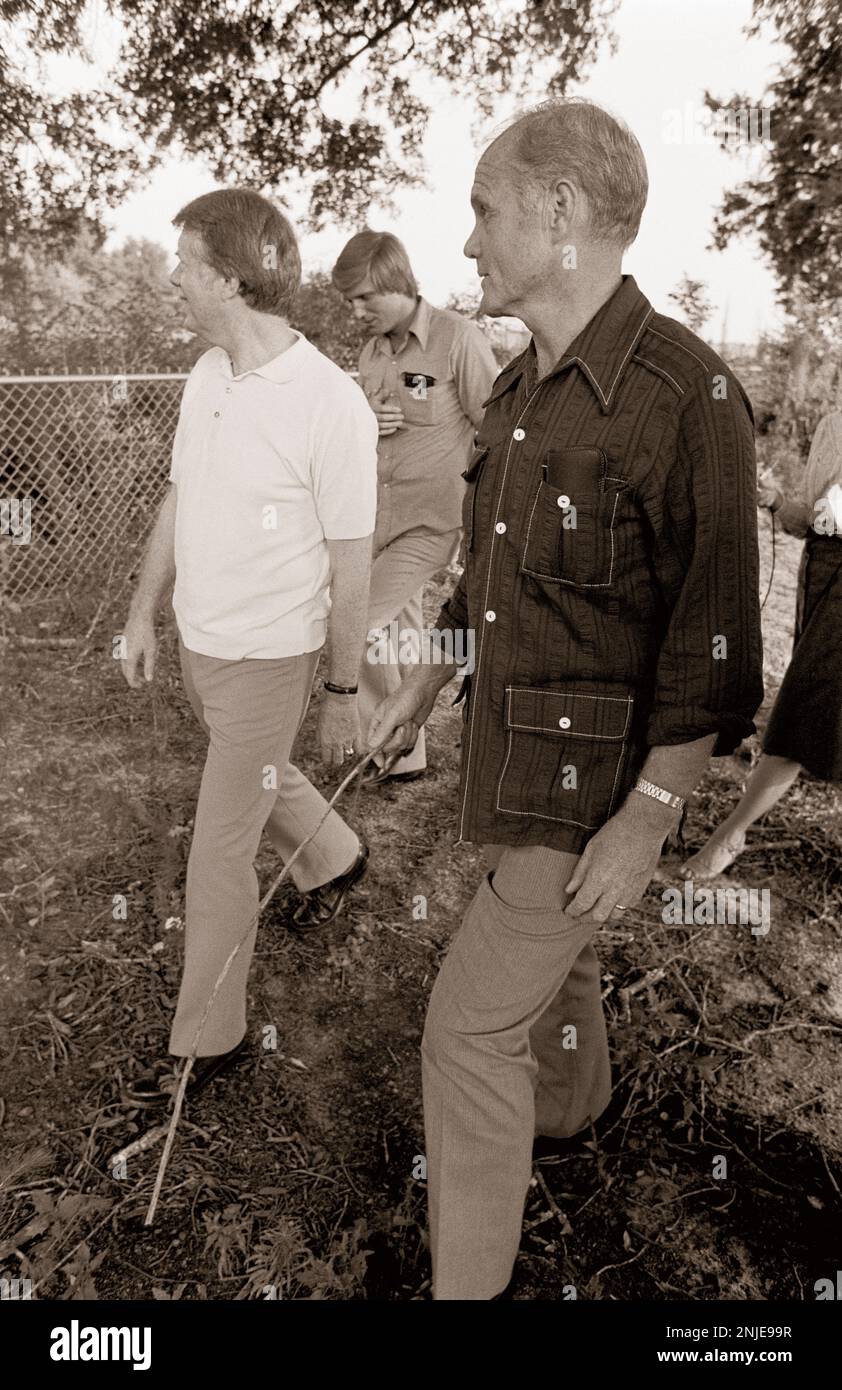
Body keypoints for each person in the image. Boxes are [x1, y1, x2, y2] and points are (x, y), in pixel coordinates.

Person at [368, 98, 765, 1300]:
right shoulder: (519, 390)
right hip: (514, 753)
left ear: (557, 212)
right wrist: (426, 687)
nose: (470, 240)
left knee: (466, 1031)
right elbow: (487, 587)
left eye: (483, 209)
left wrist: (649, 813)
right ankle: (575, 1101)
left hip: (590, 791)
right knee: (559, 963)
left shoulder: (688, 398)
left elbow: (714, 647)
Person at [119, 189, 378, 1102]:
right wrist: (145, 610)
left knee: (219, 845)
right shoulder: (206, 376)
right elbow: (181, 499)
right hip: (201, 643)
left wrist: (344, 694)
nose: (173, 276)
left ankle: (210, 1035)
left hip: (272, 658)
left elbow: (353, 564)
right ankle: (338, 856)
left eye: (185, 261)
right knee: (262, 772)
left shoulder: (329, 402)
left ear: (229, 277)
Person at [331, 231, 498, 784]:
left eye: (365, 299)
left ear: (398, 284)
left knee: (353, 622)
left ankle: (365, 746)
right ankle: (404, 755)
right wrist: (365, 418)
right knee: (394, 634)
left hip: (430, 522)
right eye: (349, 301)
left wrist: (487, 520)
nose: (357, 311)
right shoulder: (371, 351)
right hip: (374, 518)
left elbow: (496, 430)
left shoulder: (457, 338)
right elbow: (367, 431)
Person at [679, 410, 842, 879]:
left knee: (802, 708)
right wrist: (772, 500)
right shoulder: (833, 425)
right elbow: (810, 518)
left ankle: (730, 834)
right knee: (810, 704)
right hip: (824, 575)